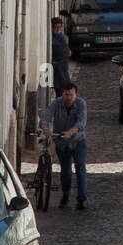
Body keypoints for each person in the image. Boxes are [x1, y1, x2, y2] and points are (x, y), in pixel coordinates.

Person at [40, 81, 87, 209]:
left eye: (71, 95)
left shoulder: (81, 104)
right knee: (65, 170)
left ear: (75, 95)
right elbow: (45, 117)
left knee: (80, 168)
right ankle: (65, 194)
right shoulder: (56, 103)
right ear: (63, 94)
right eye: (66, 95)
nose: (69, 98)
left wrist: (70, 132)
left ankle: (82, 198)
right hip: (61, 143)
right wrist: (45, 129)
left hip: (78, 141)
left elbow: (81, 122)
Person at [51, 17, 71, 95]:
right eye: (55, 27)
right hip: (56, 67)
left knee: (65, 86)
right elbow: (59, 49)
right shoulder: (51, 38)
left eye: (59, 27)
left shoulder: (61, 37)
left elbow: (66, 49)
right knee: (59, 88)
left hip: (63, 66)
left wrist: (67, 50)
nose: (58, 29)